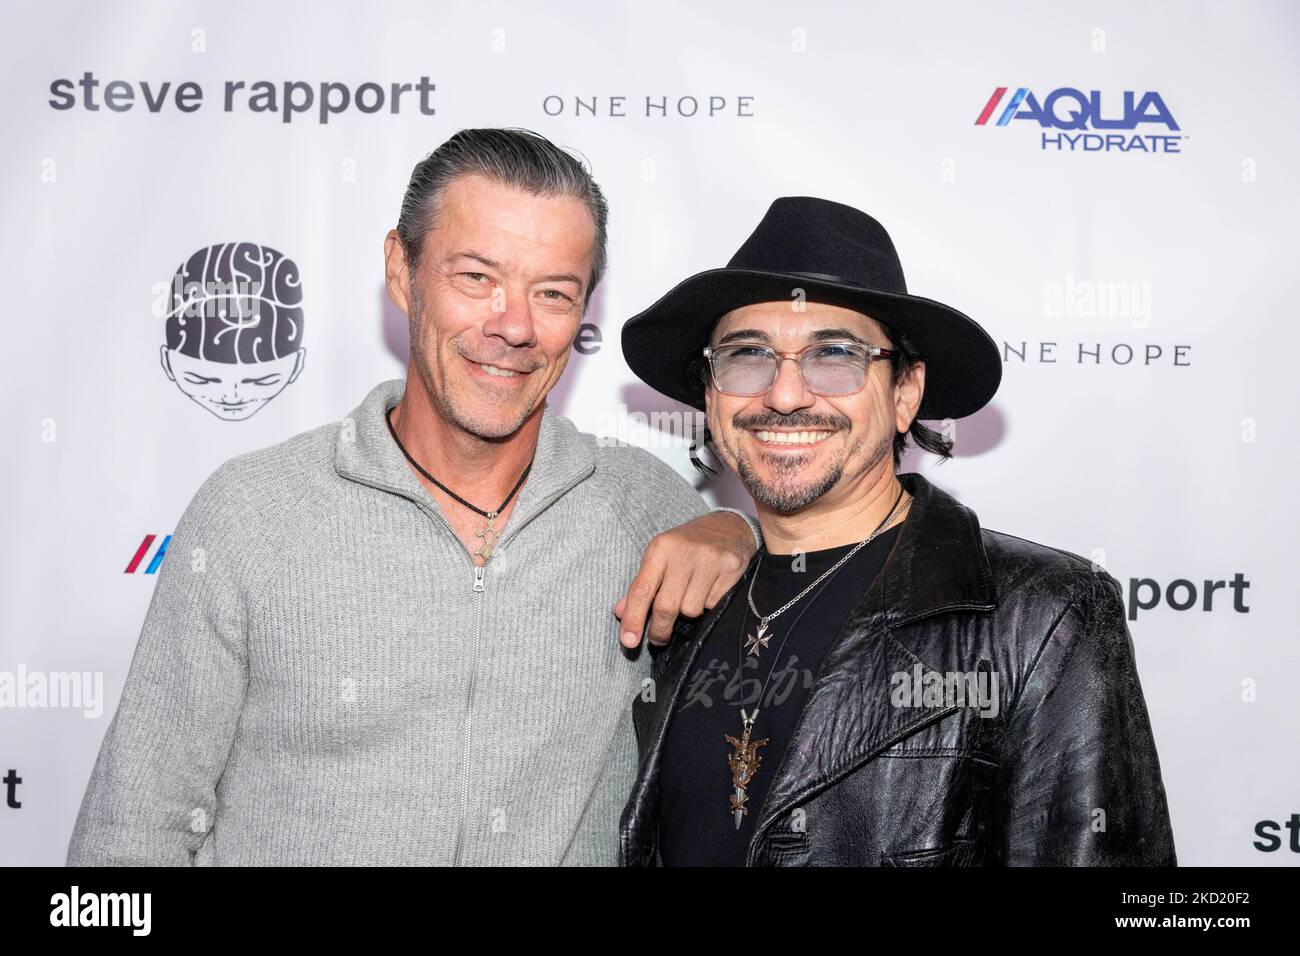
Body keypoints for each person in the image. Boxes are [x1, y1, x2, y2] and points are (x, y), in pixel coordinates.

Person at [67, 128, 758, 866]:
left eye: (552, 293)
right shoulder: (250, 513)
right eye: (476, 277)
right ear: (402, 271)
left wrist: (737, 531)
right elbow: (133, 833)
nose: (515, 325)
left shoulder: (646, 510)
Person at [618, 196, 1177, 866]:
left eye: (834, 355)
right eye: (747, 355)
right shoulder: (684, 610)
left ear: (906, 391)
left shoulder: (1041, 617)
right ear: (710, 394)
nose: (786, 394)